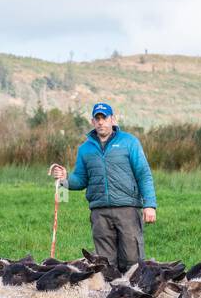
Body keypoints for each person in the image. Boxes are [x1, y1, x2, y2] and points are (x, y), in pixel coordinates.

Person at [49, 103, 157, 275]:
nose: (101, 122)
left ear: (113, 119)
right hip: (100, 213)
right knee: (104, 264)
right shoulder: (85, 149)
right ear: (92, 121)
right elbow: (81, 180)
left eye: (104, 118)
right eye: (97, 119)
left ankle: (133, 296)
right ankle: (107, 295)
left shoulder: (129, 142)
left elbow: (144, 174)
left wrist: (149, 205)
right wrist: (65, 179)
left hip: (127, 209)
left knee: (132, 260)